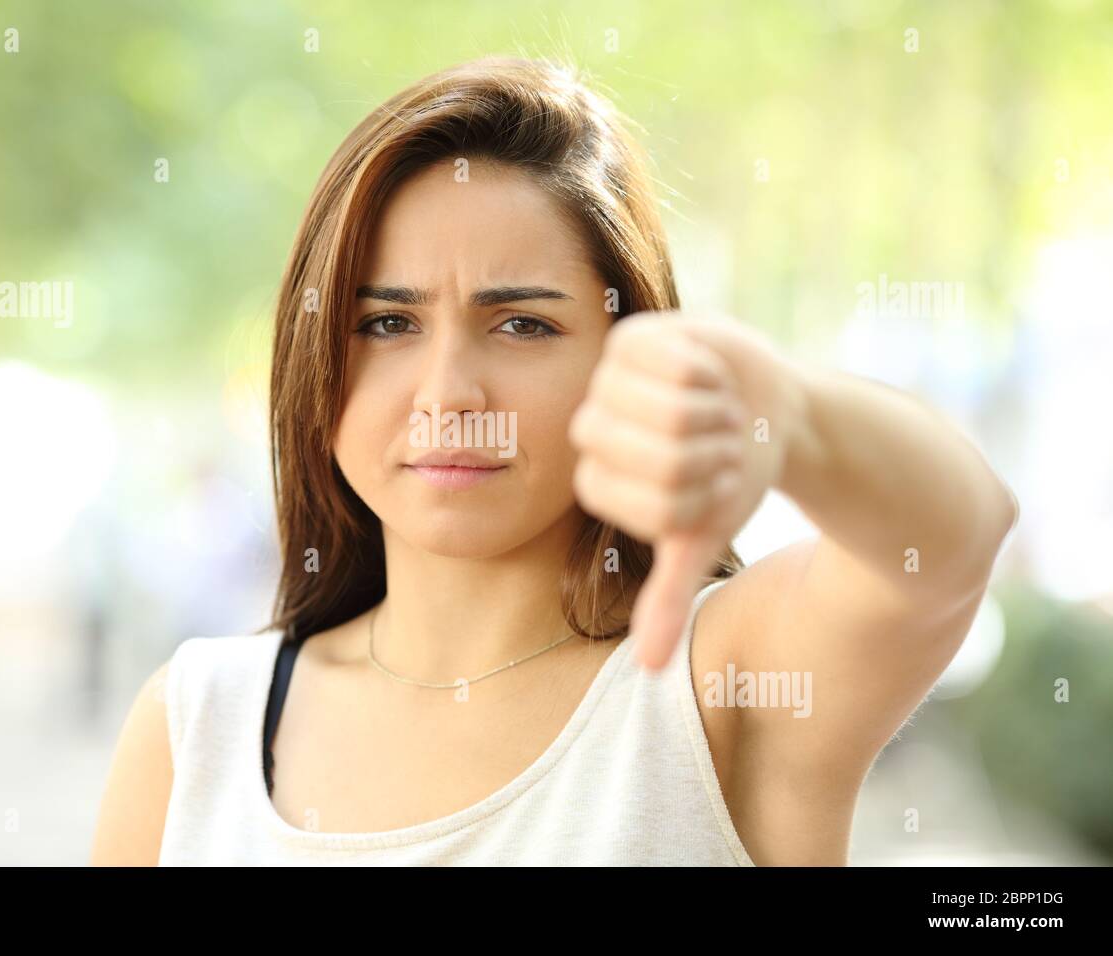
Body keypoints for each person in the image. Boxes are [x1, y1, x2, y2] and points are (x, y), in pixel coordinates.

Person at [90, 56, 1017, 866]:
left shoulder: (718, 687)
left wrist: (791, 417)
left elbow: (956, 535)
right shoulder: (197, 726)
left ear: (629, 352)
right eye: (387, 323)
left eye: (524, 323)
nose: (448, 392)